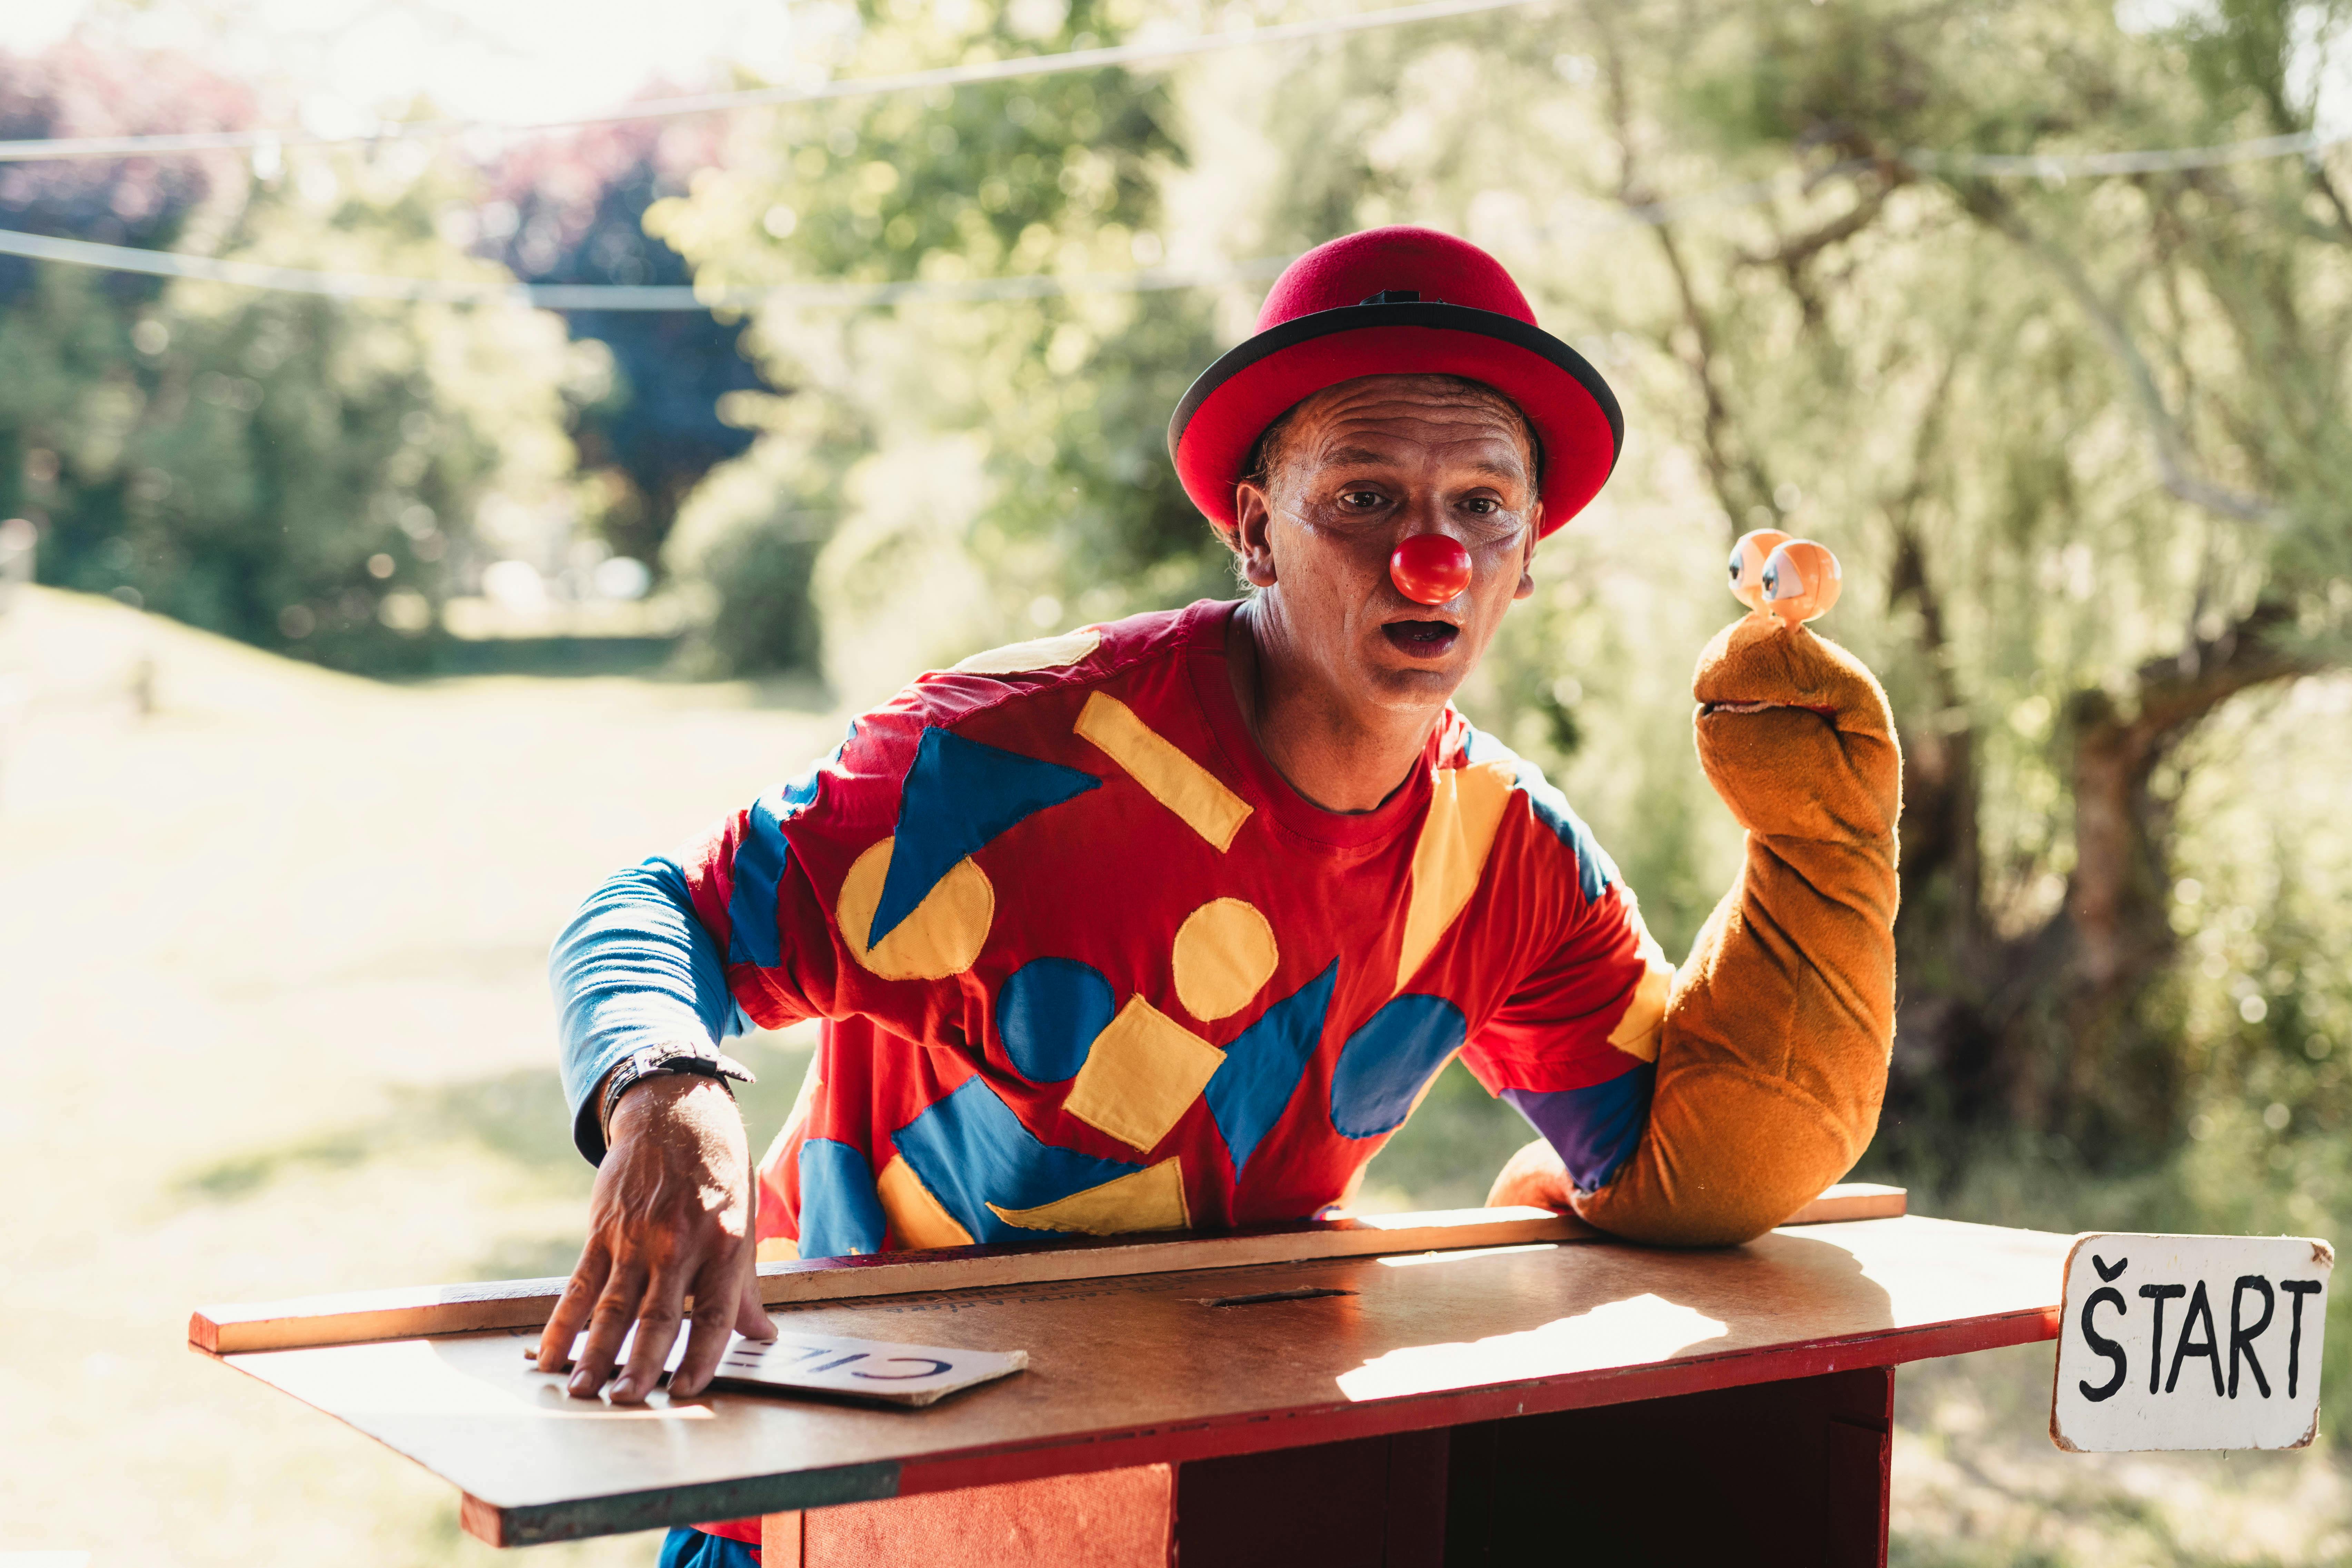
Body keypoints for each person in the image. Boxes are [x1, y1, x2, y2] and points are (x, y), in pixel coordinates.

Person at [538, 226, 1902, 1568]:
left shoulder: (1513, 858)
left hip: (1193, 1496)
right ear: (1254, 529)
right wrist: (667, 1102)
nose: (1430, 557)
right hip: (828, 1508)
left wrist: (1821, 852)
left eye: (1483, 506)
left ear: (1529, 551)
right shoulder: (1007, 759)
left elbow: (1669, 1157)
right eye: (1363, 497)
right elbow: (657, 908)